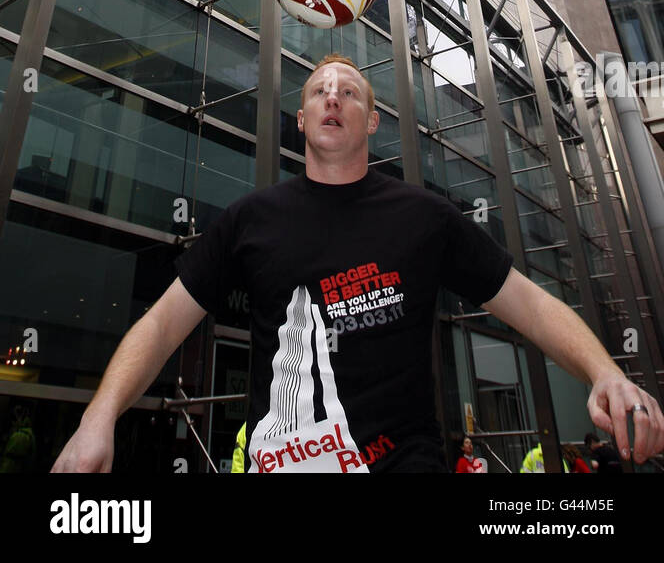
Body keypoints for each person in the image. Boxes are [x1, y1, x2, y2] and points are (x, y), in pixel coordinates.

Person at [51, 53, 664, 474]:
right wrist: (99, 417)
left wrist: (604, 372)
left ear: (371, 120)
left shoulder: (425, 217)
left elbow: (528, 304)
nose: (333, 97)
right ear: (301, 120)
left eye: (349, 92)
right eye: (319, 91)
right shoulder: (250, 220)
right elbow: (161, 326)